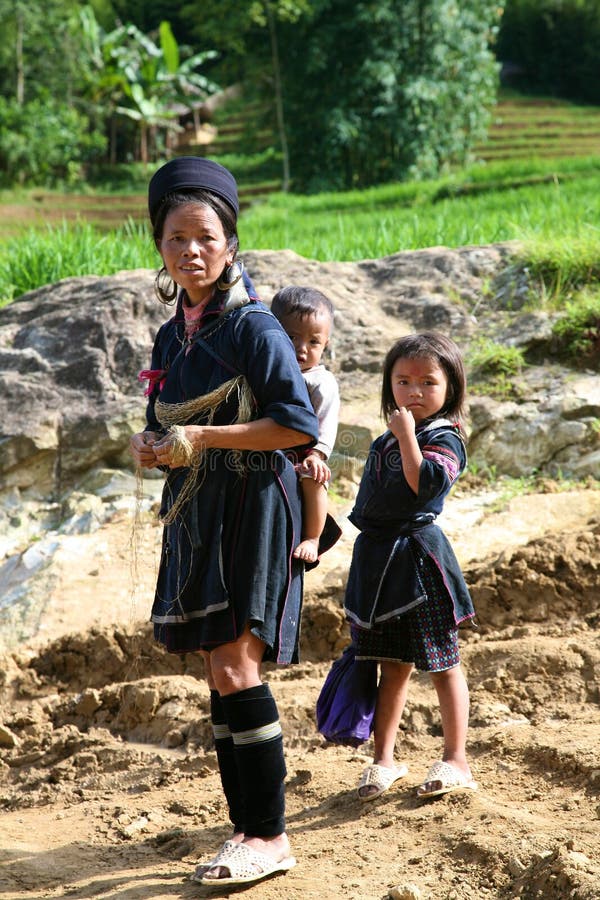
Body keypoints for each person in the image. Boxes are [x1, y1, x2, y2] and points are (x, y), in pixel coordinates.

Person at [129, 156, 320, 887]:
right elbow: (162, 422)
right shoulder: (169, 336)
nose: (192, 251)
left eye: (205, 236)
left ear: (231, 242)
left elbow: (295, 426)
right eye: (176, 238)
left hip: (251, 504)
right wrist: (154, 449)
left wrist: (204, 439)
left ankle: (270, 836)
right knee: (217, 670)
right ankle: (246, 828)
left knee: (237, 667)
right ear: (160, 246)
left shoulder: (254, 327)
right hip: (196, 510)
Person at [342, 332, 477, 802]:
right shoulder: (386, 440)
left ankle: (456, 758)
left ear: (450, 390)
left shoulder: (446, 438)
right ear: (389, 386)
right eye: (402, 381)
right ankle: (383, 760)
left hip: (421, 560)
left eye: (427, 382)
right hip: (379, 564)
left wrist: (405, 438)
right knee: (391, 667)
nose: (414, 392)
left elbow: (425, 486)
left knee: (443, 663)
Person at [271, 286, 340, 563]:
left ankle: (313, 537)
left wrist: (317, 455)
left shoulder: (320, 382)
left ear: (326, 344)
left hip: (305, 453)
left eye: (314, 342)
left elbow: (326, 422)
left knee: (315, 480)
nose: (302, 349)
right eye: (291, 337)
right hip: (269, 447)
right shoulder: (268, 372)